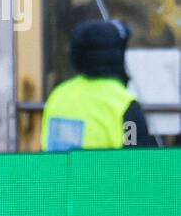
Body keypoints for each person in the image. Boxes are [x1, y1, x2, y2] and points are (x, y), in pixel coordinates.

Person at [42, 18, 158, 151]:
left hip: (63, 172)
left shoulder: (58, 96)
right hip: (107, 172)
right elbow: (139, 160)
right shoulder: (124, 104)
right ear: (117, 56)